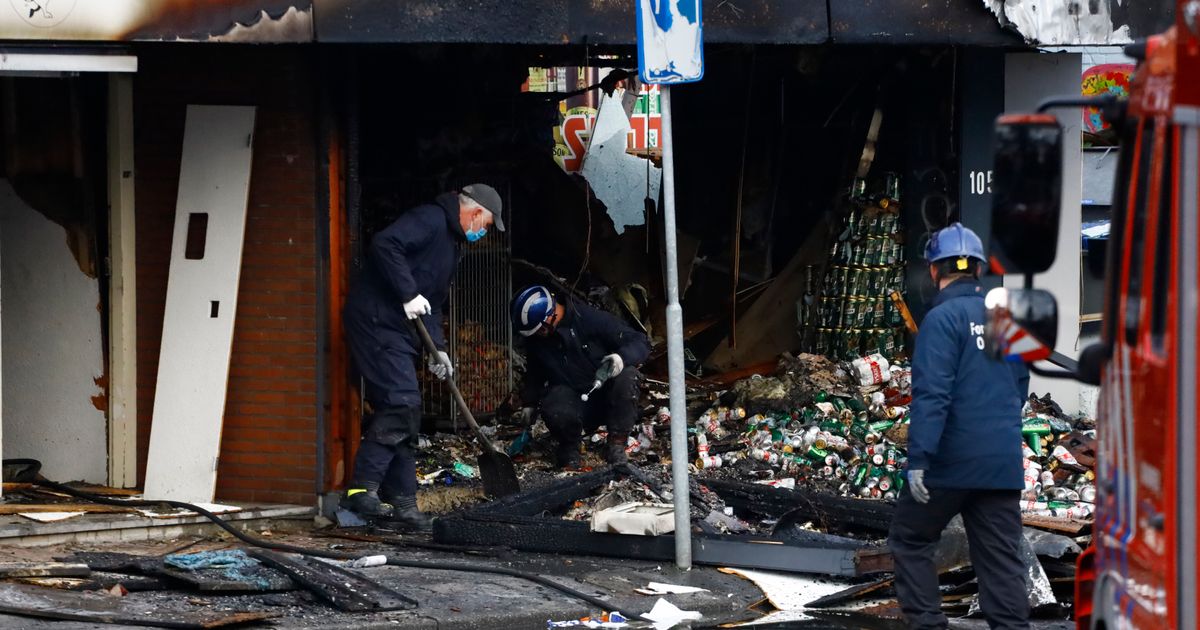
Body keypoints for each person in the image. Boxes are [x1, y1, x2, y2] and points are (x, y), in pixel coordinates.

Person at [888, 223, 1032, 629]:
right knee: (1001, 559)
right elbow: (1020, 387)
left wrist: (920, 459)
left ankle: (928, 624)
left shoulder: (941, 319)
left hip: (949, 462)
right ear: (980, 270)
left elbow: (933, 395)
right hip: (1001, 464)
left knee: (910, 538)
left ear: (934, 270)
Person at [340, 184, 504, 529]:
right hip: (376, 320)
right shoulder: (431, 219)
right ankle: (360, 490)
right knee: (402, 402)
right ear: (476, 213)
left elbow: (433, 303)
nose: (484, 232)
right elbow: (385, 244)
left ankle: (404, 505)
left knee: (406, 413)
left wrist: (438, 349)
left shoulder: (452, 248)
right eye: (487, 225)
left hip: (399, 329)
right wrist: (408, 292)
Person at [510, 285, 651, 468]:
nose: (537, 336)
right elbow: (535, 372)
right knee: (553, 401)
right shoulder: (538, 341)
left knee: (627, 376)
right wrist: (529, 402)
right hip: (574, 402)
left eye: (538, 331)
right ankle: (570, 447)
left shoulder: (589, 319)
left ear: (549, 318)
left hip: (609, 399)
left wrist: (621, 358)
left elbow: (640, 341)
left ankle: (616, 445)